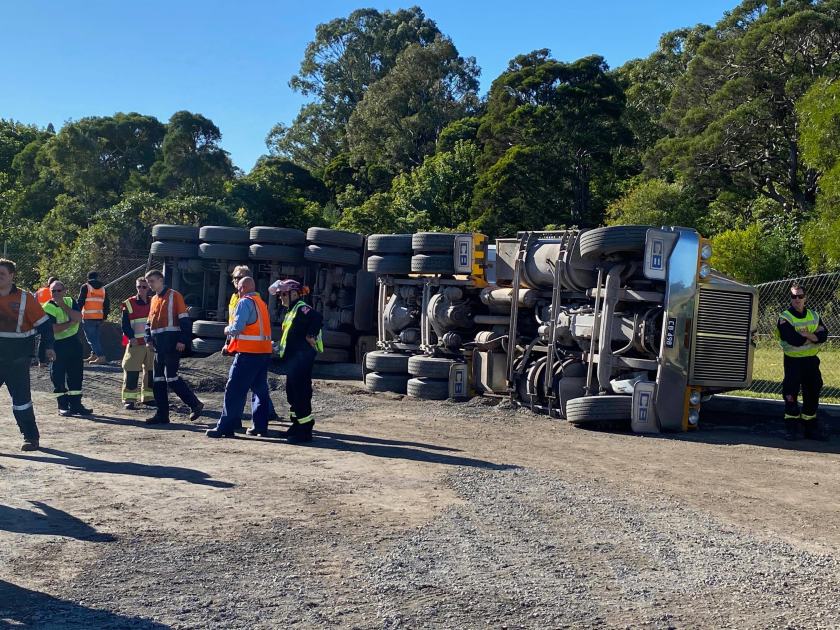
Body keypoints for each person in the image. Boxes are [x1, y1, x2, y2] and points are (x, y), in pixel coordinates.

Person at [206, 277, 273, 438]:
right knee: (260, 390)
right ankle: (260, 427)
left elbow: (237, 328)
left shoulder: (244, 302)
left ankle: (225, 427)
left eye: (238, 287)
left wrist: (226, 329)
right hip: (263, 353)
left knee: (234, 390)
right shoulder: (261, 303)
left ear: (242, 288)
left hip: (248, 355)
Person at [0, 258, 56, 451]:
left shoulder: (25, 299)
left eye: (2, 274)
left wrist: (48, 347)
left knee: (22, 401)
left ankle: (31, 437)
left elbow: (44, 325)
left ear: (12, 276)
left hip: (17, 359)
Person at [143, 269, 204, 424]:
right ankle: (162, 415)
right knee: (158, 380)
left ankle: (195, 404)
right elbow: (149, 323)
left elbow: (184, 321)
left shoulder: (174, 296)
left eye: (152, 281)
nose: (150, 284)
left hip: (171, 344)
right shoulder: (154, 299)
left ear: (161, 280)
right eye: (148, 282)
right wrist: (148, 339)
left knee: (171, 378)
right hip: (158, 346)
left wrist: (183, 340)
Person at [269, 279, 323, 443]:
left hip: (302, 359)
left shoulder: (302, 308)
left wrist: (311, 335)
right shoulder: (291, 311)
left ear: (293, 294)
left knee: (301, 394)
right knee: (292, 394)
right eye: (279, 295)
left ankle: (305, 431)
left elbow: (317, 317)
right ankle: (296, 426)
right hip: (293, 360)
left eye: (283, 294)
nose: (281, 298)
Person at [776, 283, 829, 441]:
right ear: (790, 298)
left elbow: (824, 335)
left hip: (811, 362)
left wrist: (809, 336)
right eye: (793, 296)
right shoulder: (785, 318)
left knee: (813, 390)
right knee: (790, 393)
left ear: (805, 298)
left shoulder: (814, 315)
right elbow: (794, 340)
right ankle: (792, 427)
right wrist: (813, 337)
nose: (797, 299)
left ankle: (810, 425)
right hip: (793, 362)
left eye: (800, 296)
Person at [228, 265, 278, 422]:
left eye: (240, 278)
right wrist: (228, 343)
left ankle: (232, 421)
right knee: (257, 385)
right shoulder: (236, 299)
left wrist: (227, 331)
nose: (237, 281)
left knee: (237, 386)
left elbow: (237, 326)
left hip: (249, 350)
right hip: (247, 347)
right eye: (235, 278)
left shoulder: (247, 301)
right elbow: (234, 322)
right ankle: (264, 418)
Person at [42, 280, 93, 417]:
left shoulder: (70, 301)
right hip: (57, 345)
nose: (56, 293)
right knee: (58, 376)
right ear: (50, 292)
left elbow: (78, 317)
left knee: (76, 375)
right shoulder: (47, 307)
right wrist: (70, 323)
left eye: (59, 291)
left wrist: (63, 306)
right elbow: (53, 329)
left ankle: (76, 405)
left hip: (74, 343)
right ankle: (63, 406)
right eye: (53, 291)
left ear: (64, 291)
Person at [120, 277, 155, 410]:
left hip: (150, 343)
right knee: (131, 371)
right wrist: (131, 337)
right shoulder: (128, 303)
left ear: (149, 288)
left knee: (150, 371)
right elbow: (125, 324)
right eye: (139, 287)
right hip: (136, 343)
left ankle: (148, 397)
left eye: (144, 287)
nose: (141, 289)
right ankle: (129, 399)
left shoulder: (154, 301)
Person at [78, 271, 110, 365]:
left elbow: (81, 301)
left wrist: (76, 313)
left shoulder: (86, 287)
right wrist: (104, 316)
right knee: (95, 338)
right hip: (99, 317)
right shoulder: (103, 289)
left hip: (88, 317)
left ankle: (101, 356)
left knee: (92, 339)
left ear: (88, 278)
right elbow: (106, 304)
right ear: (97, 277)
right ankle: (94, 355)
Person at [35, 276, 57, 367]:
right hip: (51, 316)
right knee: (51, 337)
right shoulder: (55, 291)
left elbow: (34, 301)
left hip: (39, 317)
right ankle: (52, 358)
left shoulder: (39, 291)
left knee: (42, 338)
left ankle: (41, 361)